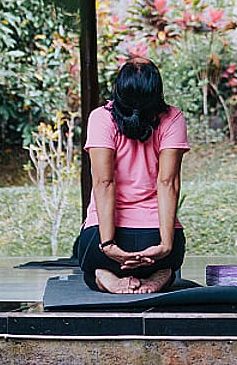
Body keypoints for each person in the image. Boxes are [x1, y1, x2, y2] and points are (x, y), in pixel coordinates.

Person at [77, 58, 189, 294]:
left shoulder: (100, 117)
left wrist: (108, 245)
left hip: (104, 237)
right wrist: (165, 245)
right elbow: (168, 183)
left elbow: (104, 182)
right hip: (155, 239)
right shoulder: (173, 118)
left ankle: (104, 275)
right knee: (170, 267)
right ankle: (159, 276)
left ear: (117, 87)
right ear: (156, 90)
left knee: (90, 266)